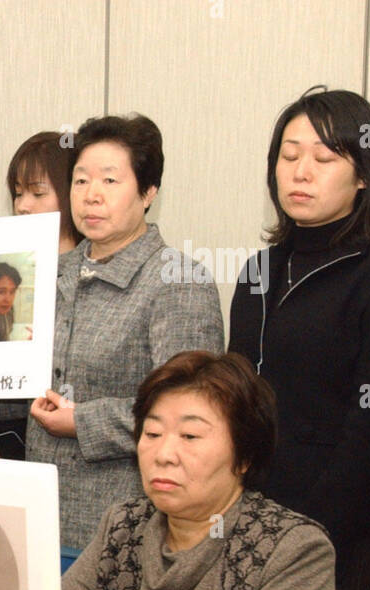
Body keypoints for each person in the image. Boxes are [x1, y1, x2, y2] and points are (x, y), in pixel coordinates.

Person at [48, 350, 335, 590]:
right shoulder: (124, 526)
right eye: (151, 434)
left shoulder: (292, 547)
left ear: (245, 455)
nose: (163, 454)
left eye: (190, 436)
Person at [228, 88, 370, 590]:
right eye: (288, 156)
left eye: (323, 158)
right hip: (243, 520)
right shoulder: (259, 272)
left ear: (363, 175)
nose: (300, 171)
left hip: (337, 529)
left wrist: (304, 534)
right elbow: (233, 399)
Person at [27, 114, 223, 549]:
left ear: (148, 192)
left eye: (110, 181)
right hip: (37, 506)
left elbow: (192, 410)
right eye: (80, 181)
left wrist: (82, 421)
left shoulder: (178, 281)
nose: (91, 195)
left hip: (125, 514)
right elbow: (19, 380)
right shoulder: (46, 275)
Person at [0, 132, 79, 460]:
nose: (22, 205)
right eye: (18, 193)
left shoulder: (91, 277)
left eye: (37, 193)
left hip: (67, 449)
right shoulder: (6, 259)